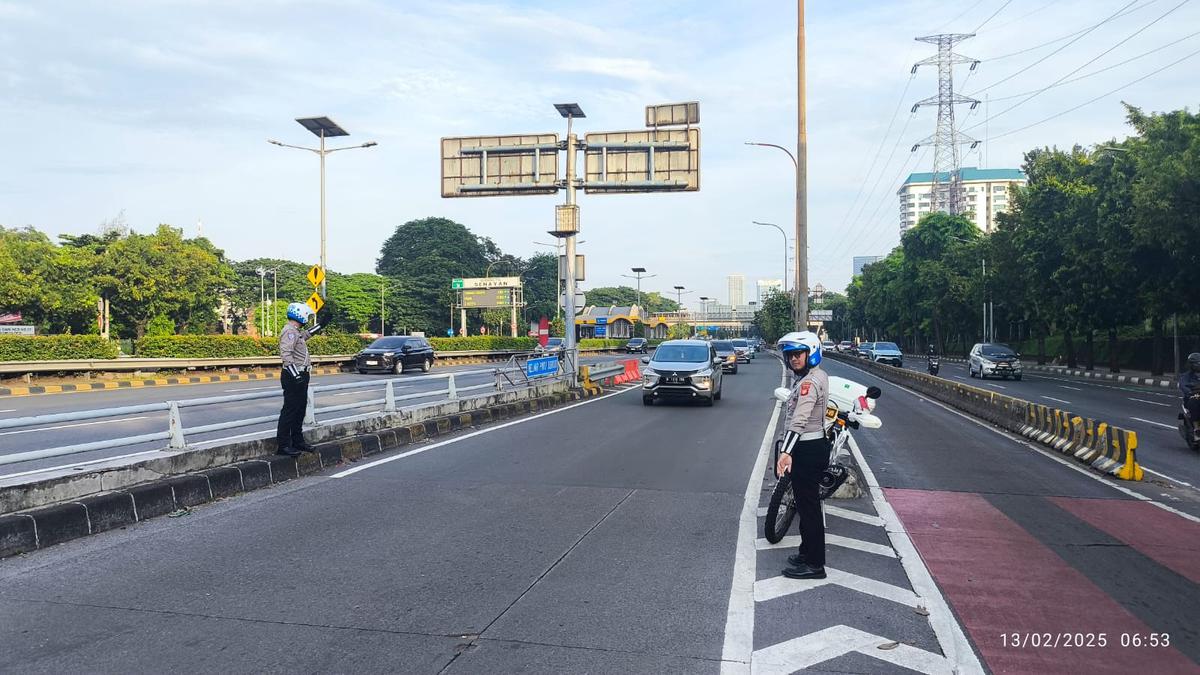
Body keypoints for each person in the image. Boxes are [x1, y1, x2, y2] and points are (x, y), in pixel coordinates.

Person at [775, 330, 830, 580]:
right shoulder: (811, 376)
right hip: (810, 446)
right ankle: (806, 553)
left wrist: (786, 451)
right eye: (790, 355)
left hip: (807, 448)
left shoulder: (809, 382)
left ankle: (816, 564)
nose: (794, 359)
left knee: (809, 509)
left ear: (812, 354)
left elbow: (800, 420)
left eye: (798, 354)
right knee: (804, 505)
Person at [276, 302, 319, 457]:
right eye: (307, 316)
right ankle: (283, 445)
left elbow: (306, 335)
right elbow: (286, 356)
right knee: (290, 410)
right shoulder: (289, 332)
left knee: (300, 409)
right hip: (293, 375)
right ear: (300, 315)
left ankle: (298, 441)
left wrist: (321, 325)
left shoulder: (295, 331)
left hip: (300, 374)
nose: (307, 318)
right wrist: (296, 376)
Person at [1181, 352, 1200, 436]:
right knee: (1194, 402)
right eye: (1197, 363)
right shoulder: (1187, 376)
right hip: (1192, 397)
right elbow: (1183, 385)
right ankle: (1196, 429)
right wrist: (1190, 392)